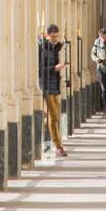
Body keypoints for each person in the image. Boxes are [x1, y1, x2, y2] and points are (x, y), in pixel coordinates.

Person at [38, 23, 68, 157]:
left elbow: (61, 46)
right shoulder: (42, 49)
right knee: (54, 116)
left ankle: (45, 137)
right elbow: (40, 70)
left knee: (54, 116)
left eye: (57, 36)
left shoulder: (55, 48)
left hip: (55, 85)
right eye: (53, 37)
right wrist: (54, 68)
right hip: (46, 86)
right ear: (48, 35)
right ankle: (58, 146)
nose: (56, 39)